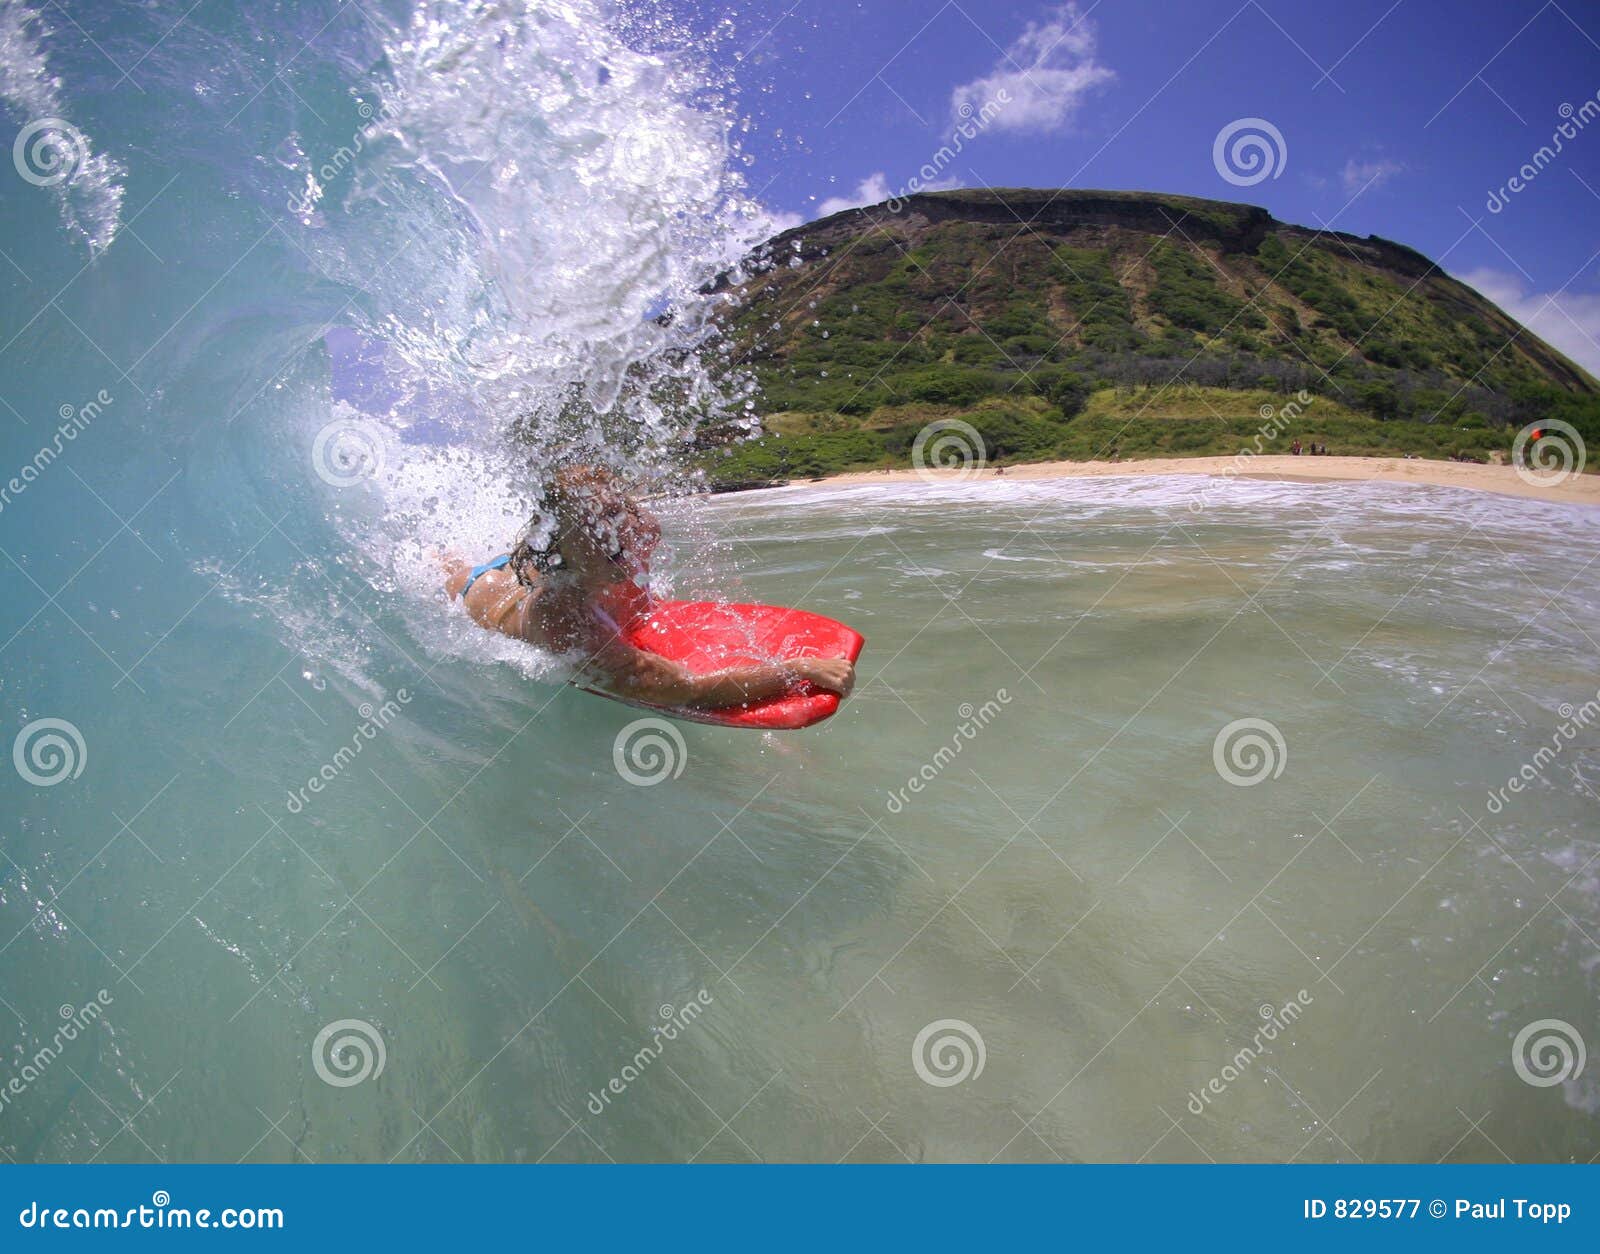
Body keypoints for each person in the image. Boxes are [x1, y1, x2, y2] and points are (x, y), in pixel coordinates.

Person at [441, 466, 855, 710]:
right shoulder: (564, 616)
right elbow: (683, 690)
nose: (611, 530)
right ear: (564, 543)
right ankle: (439, 557)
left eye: (614, 511)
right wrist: (794, 672)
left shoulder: (629, 535)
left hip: (543, 572)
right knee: (455, 569)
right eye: (589, 525)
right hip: (485, 594)